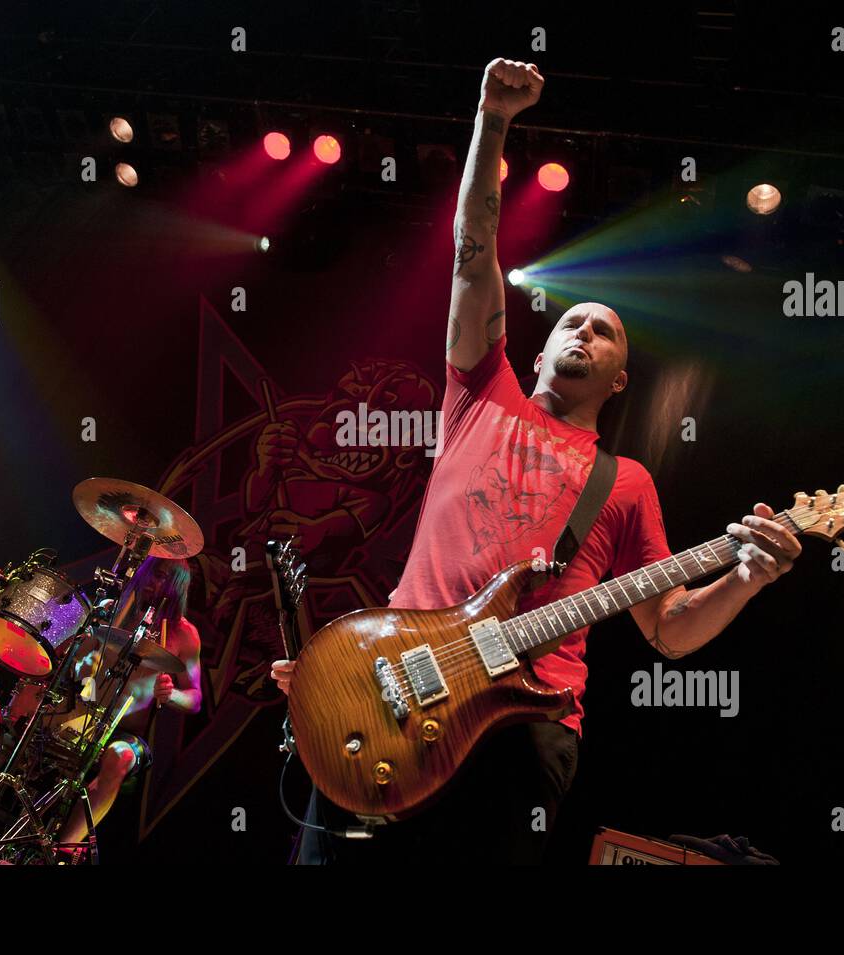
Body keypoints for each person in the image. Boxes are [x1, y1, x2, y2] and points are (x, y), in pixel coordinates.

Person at [270, 58, 802, 864]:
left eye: (606, 329)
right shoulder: (481, 392)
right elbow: (472, 250)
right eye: (573, 322)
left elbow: (668, 630)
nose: (583, 331)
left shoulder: (624, 483)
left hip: (522, 724)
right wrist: (492, 121)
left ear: (621, 377)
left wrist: (747, 575)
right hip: (388, 694)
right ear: (543, 342)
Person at [48, 556, 202, 849]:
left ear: (177, 587)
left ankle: (64, 849)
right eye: (153, 574)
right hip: (81, 713)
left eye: (164, 578)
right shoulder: (112, 612)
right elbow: (79, 668)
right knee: (29, 710)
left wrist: (172, 695)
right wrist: (86, 681)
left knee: (121, 757)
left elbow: (194, 699)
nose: (155, 584)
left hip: (124, 733)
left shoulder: (184, 634)